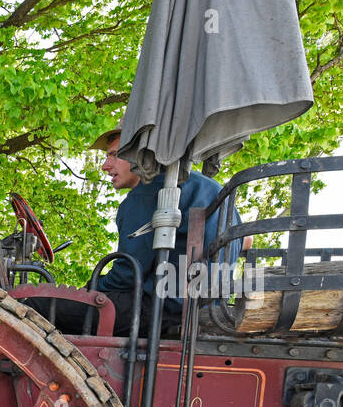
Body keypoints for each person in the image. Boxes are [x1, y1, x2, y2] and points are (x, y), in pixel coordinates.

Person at [87, 126, 239, 336]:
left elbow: (129, 274)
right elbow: (244, 240)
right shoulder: (208, 187)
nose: (105, 166)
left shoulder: (149, 193)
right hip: (207, 305)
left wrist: (91, 288)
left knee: (39, 305)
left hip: (162, 310)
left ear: (140, 152)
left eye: (114, 155)